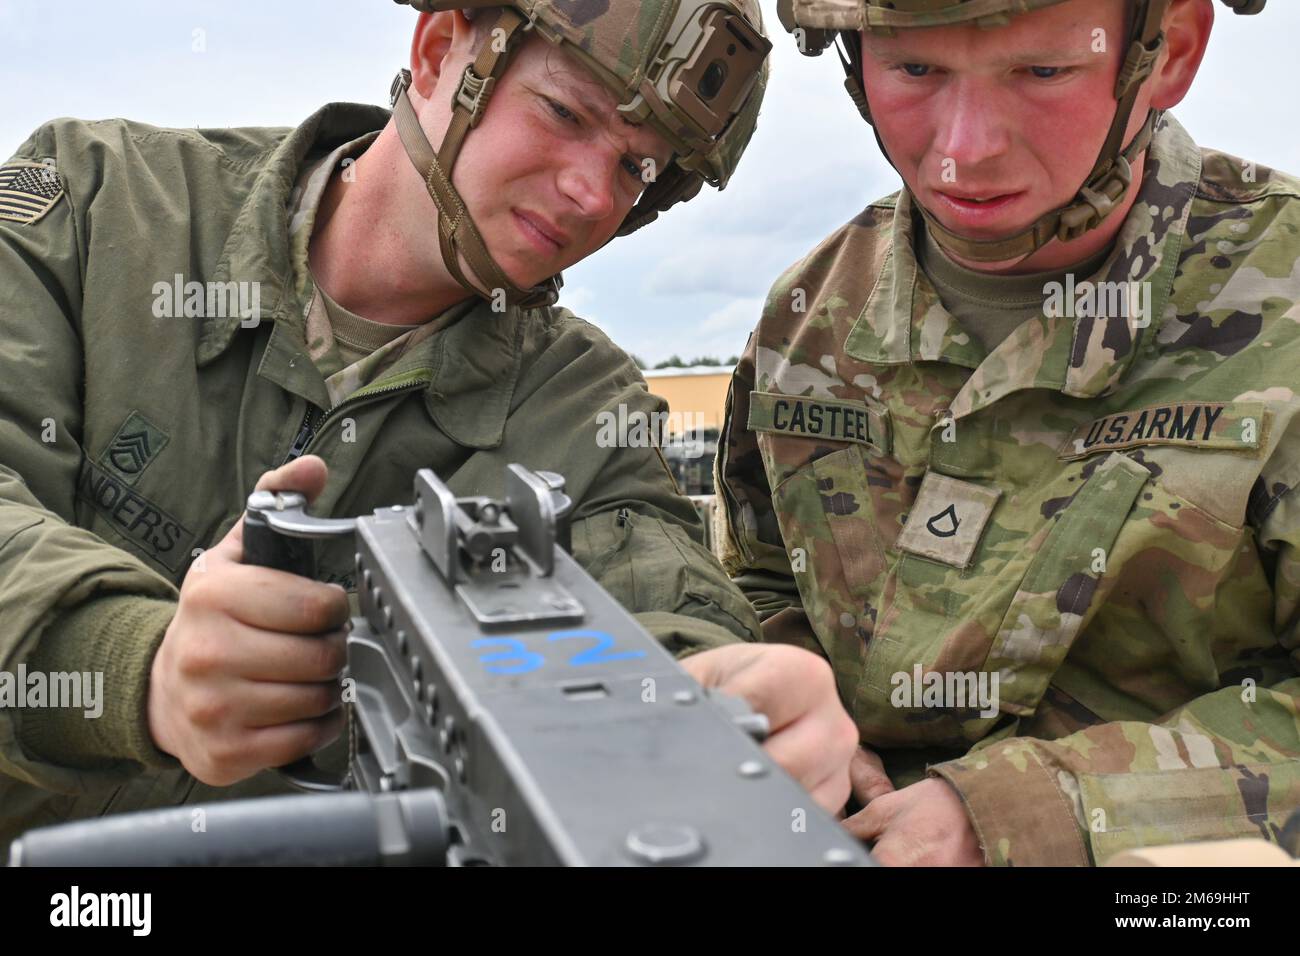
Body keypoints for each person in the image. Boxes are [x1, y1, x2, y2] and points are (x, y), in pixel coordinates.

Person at [0, 0, 858, 852]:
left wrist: (711, 696)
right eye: (564, 112)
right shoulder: (98, 204)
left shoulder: (583, 401)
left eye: (636, 168)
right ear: (443, 47)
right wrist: (136, 662)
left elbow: (657, 600)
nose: (593, 193)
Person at [717, 0, 1300, 865]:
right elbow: (763, 576)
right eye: (916, 70)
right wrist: (806, 716)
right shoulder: (807, 318)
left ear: (1168, 49)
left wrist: (1026, 813)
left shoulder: (1281, 297)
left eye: (1041, 71)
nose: (966, 146)